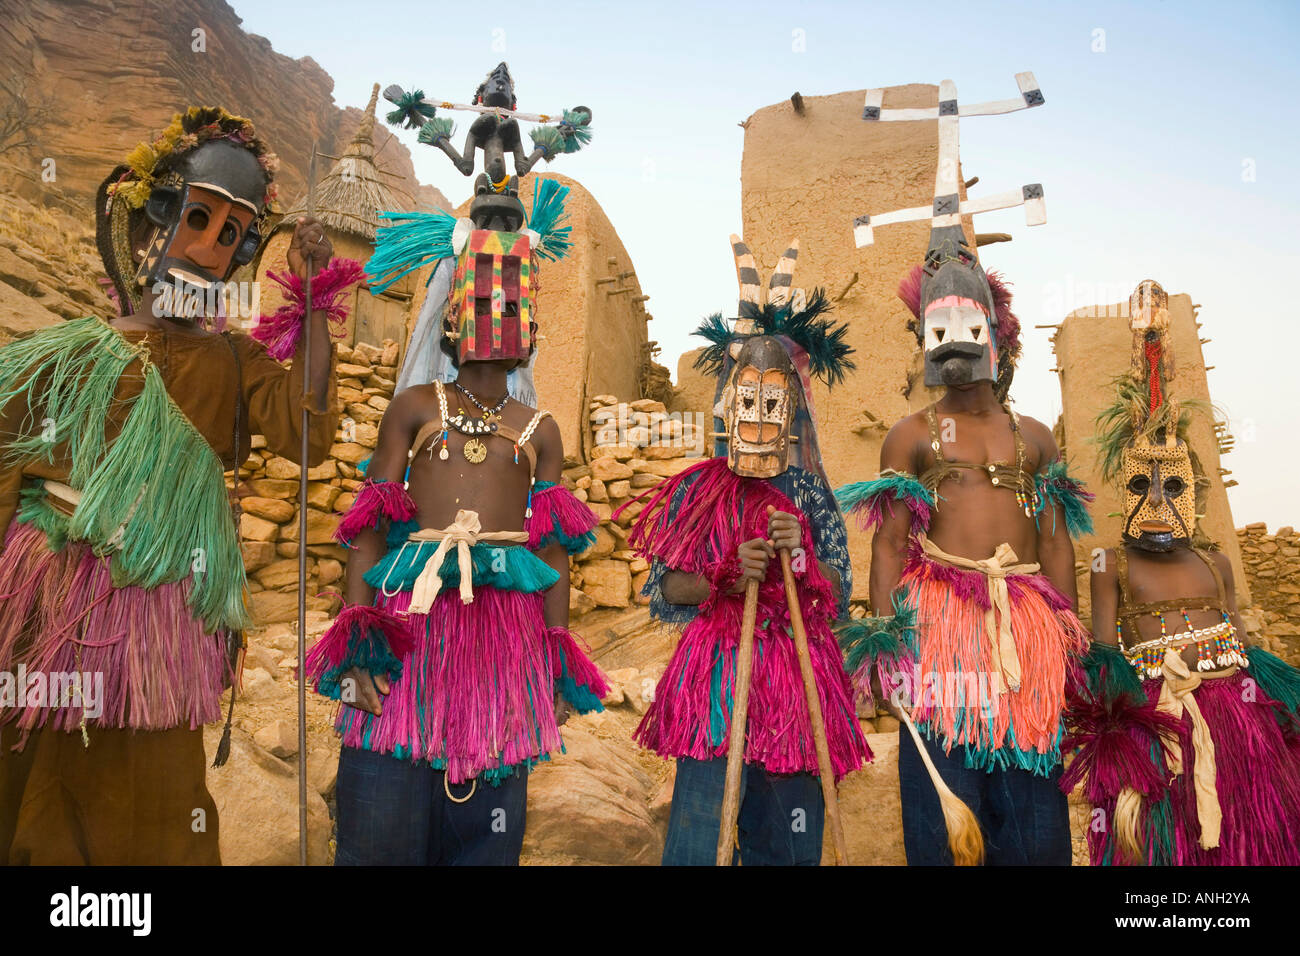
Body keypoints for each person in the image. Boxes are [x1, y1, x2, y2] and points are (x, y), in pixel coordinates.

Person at [0, 106, 346, 864]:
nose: (210, 249)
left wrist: (315, 299)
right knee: (26, 779)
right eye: (198, 218)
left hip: (159, 615)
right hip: (42, 604)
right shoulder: (64, 356)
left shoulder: (233, 363)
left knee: (155, 799)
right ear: (150, 222)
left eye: (232, 235)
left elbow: (309, 429)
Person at [305, 151, 606, 866]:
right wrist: (358, 645)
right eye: (480, 297)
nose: (496, 313)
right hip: (411, 628)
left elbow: (555, 551)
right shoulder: (413, 409)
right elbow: (370, 529)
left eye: (512, 301)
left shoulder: (540, 431)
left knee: (486, 817)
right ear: (451, 312)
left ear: (529, 320)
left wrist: (557, 663)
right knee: (383, 808)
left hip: (504, 643)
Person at [836, 223, 1093, 865]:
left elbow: (1057, 543)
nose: (952, 336)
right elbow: (891, 544)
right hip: (942, 633)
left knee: (1033, 806)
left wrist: (1069, 640)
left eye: (968, 320)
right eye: (937, 322)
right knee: (944, 800)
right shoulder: (911, 435)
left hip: (1027, 639)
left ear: (998, 333)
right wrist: (889, 646)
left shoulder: (1034, 437)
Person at [619, 238, 869, 866]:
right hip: (716, 675)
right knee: (702, 830)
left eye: (772, 402)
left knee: (786, 837)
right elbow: (665, 586)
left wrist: (802, 557)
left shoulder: (810, 491)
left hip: (795, 676)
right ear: (730, 401)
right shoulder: (698, 490)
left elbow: (838, 590)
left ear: (791, 409)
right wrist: (725, 579)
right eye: (747, 399)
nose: (758, 414)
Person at [1061, 280, 1300, 865]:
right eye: (1143, 484)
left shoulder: (1215, 561)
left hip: (1236, 711)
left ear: (1196, 489)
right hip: (1161, 719)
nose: (1161, 501)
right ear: (1124, 489)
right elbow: (1103, 648)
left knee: (1251, 827)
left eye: (1177, 486)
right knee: (1170, 837)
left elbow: (1242, 639)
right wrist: (1118, 726)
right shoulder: (1107, 562)